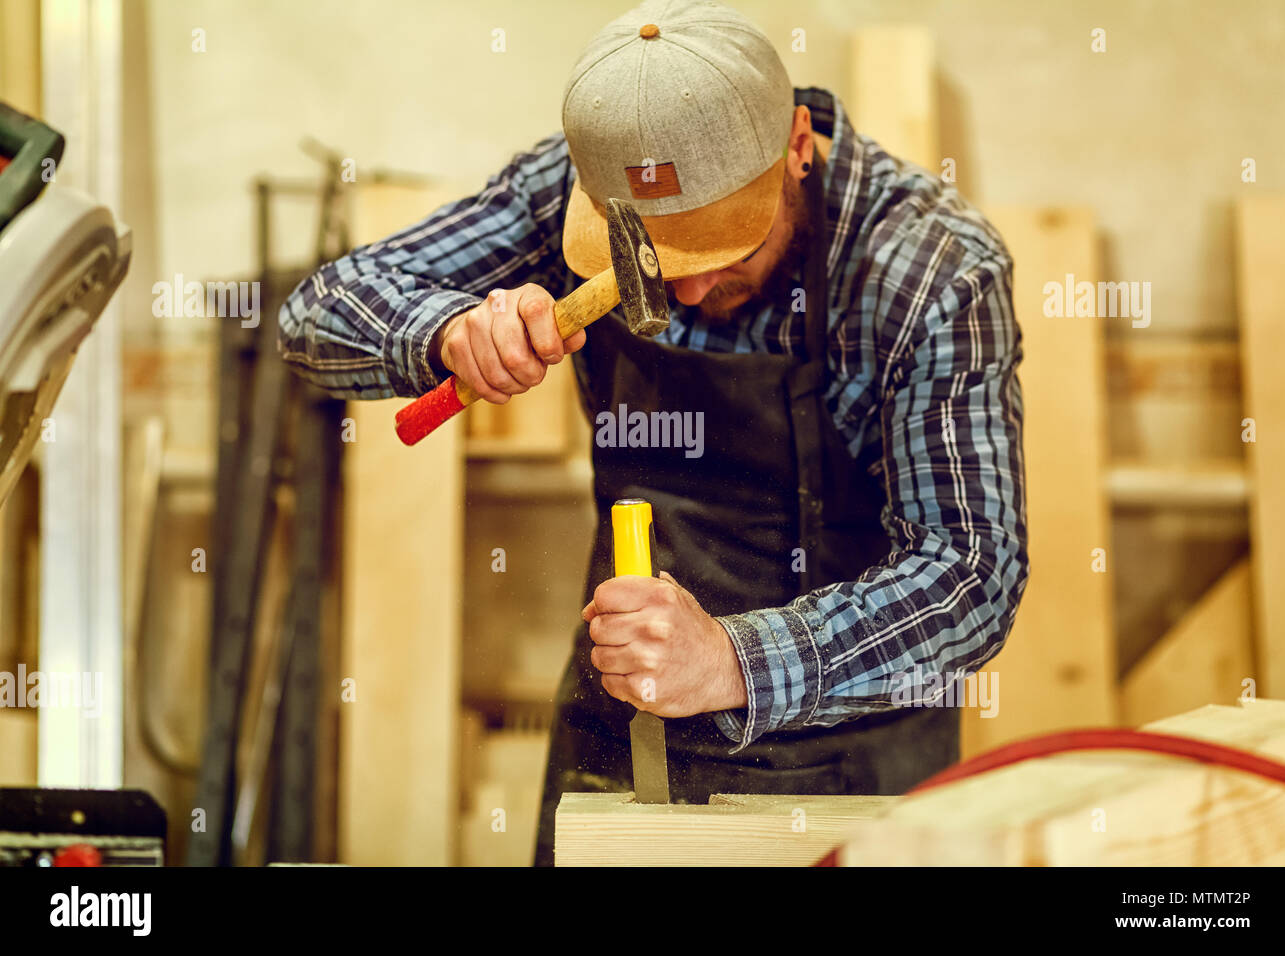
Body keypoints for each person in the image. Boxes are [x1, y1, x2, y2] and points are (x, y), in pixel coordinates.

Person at [279, 0, 1029, 867]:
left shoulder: (930, 268)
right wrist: (446, 332)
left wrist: (734, 660)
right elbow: (314, 317)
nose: (692, 291)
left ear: (794, 146)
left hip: (855, 769)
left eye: (726, 246)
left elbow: (971, 572)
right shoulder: (568, 193)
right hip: (620, 732)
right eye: (657, 259)